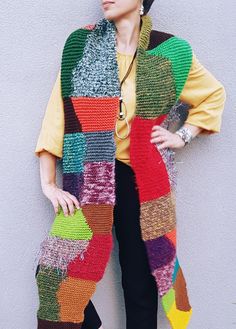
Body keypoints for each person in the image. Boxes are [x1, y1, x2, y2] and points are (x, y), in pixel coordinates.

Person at [34, 1, 226, 329]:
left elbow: (213, 95)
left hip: (142, 182)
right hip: (90, 178)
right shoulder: (81, 43)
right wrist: (49, 182)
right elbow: (58, 114)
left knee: (139, 283)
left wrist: (184, 135)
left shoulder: (170, 51)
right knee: (53, 271)